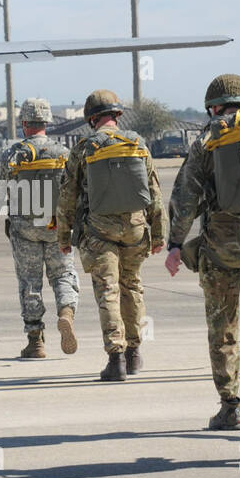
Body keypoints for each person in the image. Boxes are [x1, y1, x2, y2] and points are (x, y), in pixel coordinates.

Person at [165, 74, 240, 431]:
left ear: (215, 106)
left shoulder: (209, 137)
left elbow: (186, 195)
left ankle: (230, 405)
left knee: (222, 325)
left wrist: (175, 244)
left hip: (221, 246)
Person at [56, 89, 166, 381]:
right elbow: (154, 191)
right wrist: (159, 234)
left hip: (99, 231)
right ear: (117, 115)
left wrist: (63, 237)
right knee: (132, 288)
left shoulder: (84, 147)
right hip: (135, 229)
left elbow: (68, 195)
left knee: (109, 292)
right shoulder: (137, 142)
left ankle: (115, 359)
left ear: (92, 119)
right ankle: (134, 353)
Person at [0, 98, 79, 358]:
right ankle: (66, 311)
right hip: (58, 227)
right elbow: (79, 191)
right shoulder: (64, 153)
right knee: (63, 275)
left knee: (30, 282)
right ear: (46, 122)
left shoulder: (12, 155)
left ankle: (35, 341)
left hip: (24, 230)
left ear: (24, 123)